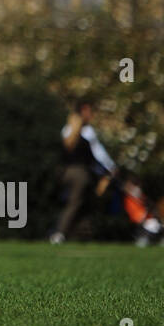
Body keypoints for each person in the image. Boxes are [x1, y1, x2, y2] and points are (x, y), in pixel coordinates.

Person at [50, 98, 118, 244]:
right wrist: (110, 167)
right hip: (78, 172)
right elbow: (95, 153)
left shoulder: (78, 130)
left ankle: (82, 234)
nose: (91, 114)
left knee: (83, 203)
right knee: (76, 202)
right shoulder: (80, 130)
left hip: (77, 172)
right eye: (89, 111)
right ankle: (59, 233)